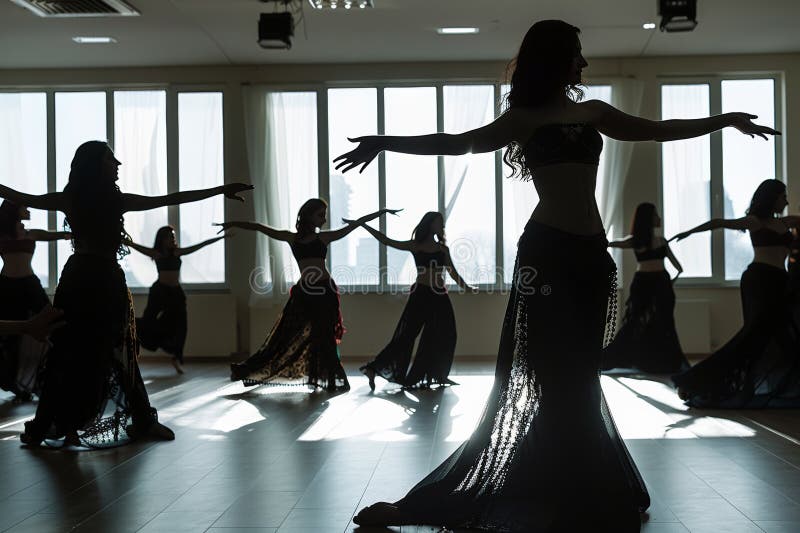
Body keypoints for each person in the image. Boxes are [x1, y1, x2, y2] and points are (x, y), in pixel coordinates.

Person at [333, 19, 777, 531]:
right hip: (545, 255)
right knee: (548, 372)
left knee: (581, 375)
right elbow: (454, 141)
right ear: (554, 58)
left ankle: (575, 479)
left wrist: (724, 119)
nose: (584, 64)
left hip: (590, 260)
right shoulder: (521, 119)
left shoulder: (593, 113)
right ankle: (527, 482)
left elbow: (658, 130)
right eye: (576, 54)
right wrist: (382, 141)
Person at [0, 140, 252, 447]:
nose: (118, 165)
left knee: (114, 350)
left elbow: (171, 198)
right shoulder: (74, 198)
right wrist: (219, 190)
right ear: (95, 164)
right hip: (89, 280)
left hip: (92, 279)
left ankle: (136, 420)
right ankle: (54, 425)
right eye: (111, 160)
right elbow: (18, 196)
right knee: (71, 351)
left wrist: (219, 190)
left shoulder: (108, 200)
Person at [218, 200, 399, 392]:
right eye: (321, 215)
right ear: (308, 216)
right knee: (283, 336)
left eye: (324, 214)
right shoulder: (292, 238)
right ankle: (247, 370)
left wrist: (381, 212)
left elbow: (355, 225)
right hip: (305, 293)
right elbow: (260, 228)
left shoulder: (324, 238)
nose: (324, 219)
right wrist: (234, 223)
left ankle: (328, 378)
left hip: (325, 292)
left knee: (325, 336)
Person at [671, 179, 800, 407]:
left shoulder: (787, 222)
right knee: (753, 336)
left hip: (781, 282)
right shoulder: (755, 222)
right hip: (759, 280)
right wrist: (690, 232)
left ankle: (776, 388)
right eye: (783, 196)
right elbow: (719, 222)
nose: (787, 200)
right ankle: (695, 382)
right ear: (771, 197)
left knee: (783, 335)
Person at [353, 211, 472, 390]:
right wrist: (363, 224)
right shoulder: (416, 245)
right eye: (439, 222)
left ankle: (436, 374)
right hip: (422, 295)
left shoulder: (442, 249)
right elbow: (386, 240)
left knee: (446, 333)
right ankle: (372, 368)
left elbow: (452, 272)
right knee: (406, 336)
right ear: (430, 224)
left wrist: (467, 287)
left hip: (440, 296)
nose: (442, 225)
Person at [125, 227, 232, 374]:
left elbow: (200, 245)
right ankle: (130, 329)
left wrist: (220, 238)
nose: (172, 239)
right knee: (149, 321)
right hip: (159, 292)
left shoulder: (177, 252)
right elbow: (136, 247)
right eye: (169, 236)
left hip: (175, 293)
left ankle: (176, 357)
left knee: (181, 326)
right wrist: (124, 240)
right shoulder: (157, 254)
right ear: (162, 239)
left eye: (173, 236)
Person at [603, 202, 690, 373]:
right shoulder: (635, 241)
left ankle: (662, 362)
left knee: (664, 322)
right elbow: (611, 244)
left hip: (658, 284)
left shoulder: (660, 241)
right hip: (644, 284)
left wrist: (671, 282)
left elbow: (679, 268)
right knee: (634, 321)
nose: (659, 218)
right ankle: (619, 357)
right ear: (648, 218)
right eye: (656, 215)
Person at [0, 200, 71, 400]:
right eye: (25, 207)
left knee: (54, 324)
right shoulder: (2, 235)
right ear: (14, 211)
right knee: (10, 337)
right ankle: (15, 383)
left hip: (30, 286)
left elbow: (56, 235)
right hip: (5, 287)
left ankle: (50, 381)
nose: (28, 210)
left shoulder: (32, 233)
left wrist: (72, 234)